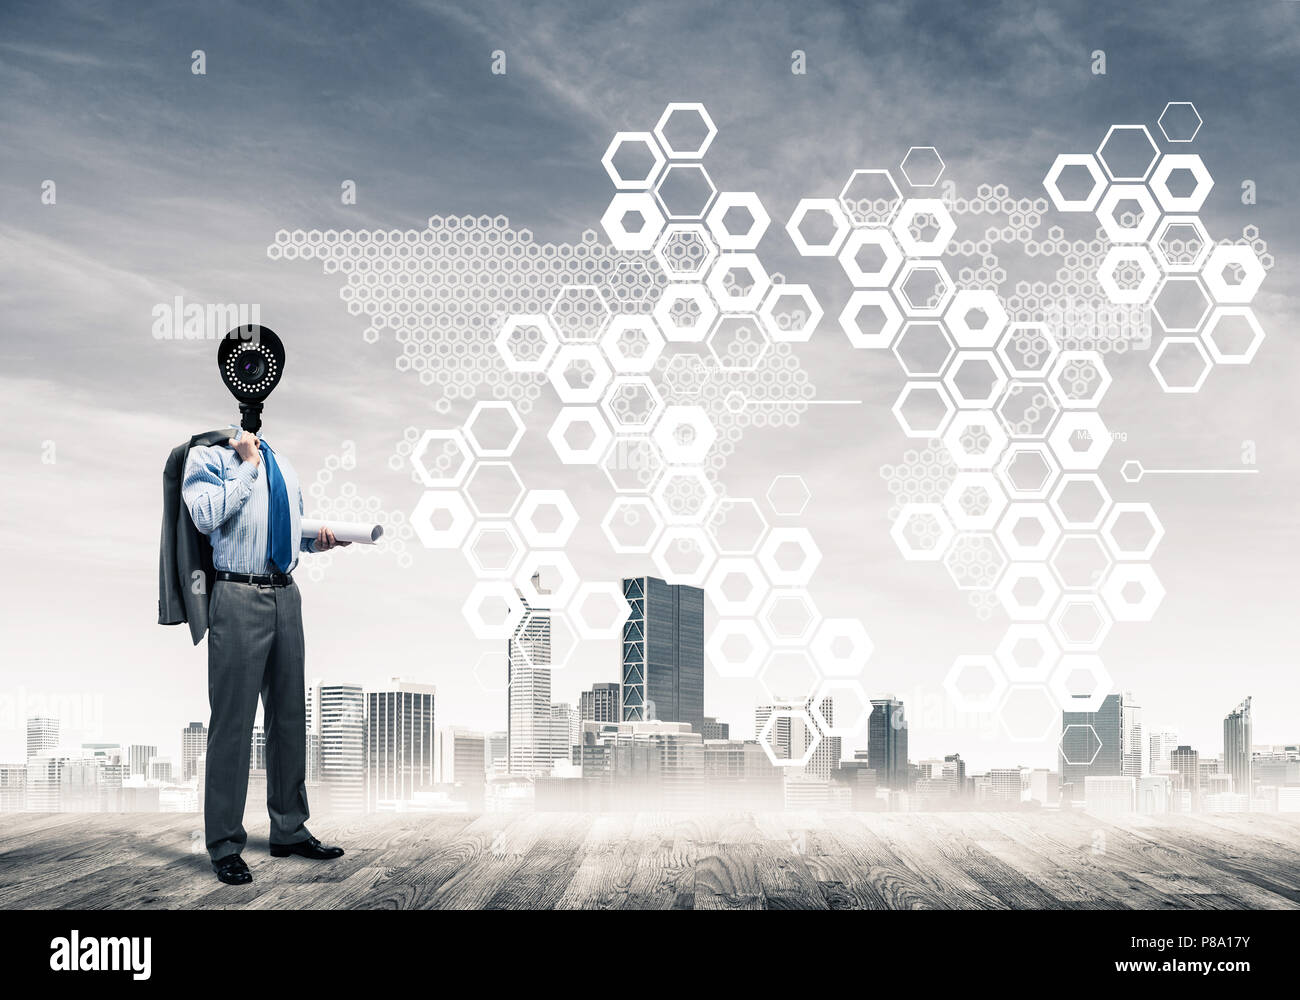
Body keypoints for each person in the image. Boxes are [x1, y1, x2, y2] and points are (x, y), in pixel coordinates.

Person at [182, 427, 349, 886]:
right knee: (233, 723)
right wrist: (248, 464)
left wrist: (319, 540)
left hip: (286, 596)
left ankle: (289, 830)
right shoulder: (209, 457)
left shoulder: (286, 464)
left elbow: (288, 531)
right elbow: (205, 515)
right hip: (236, 592)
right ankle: (224, 845)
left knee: (290, 718)